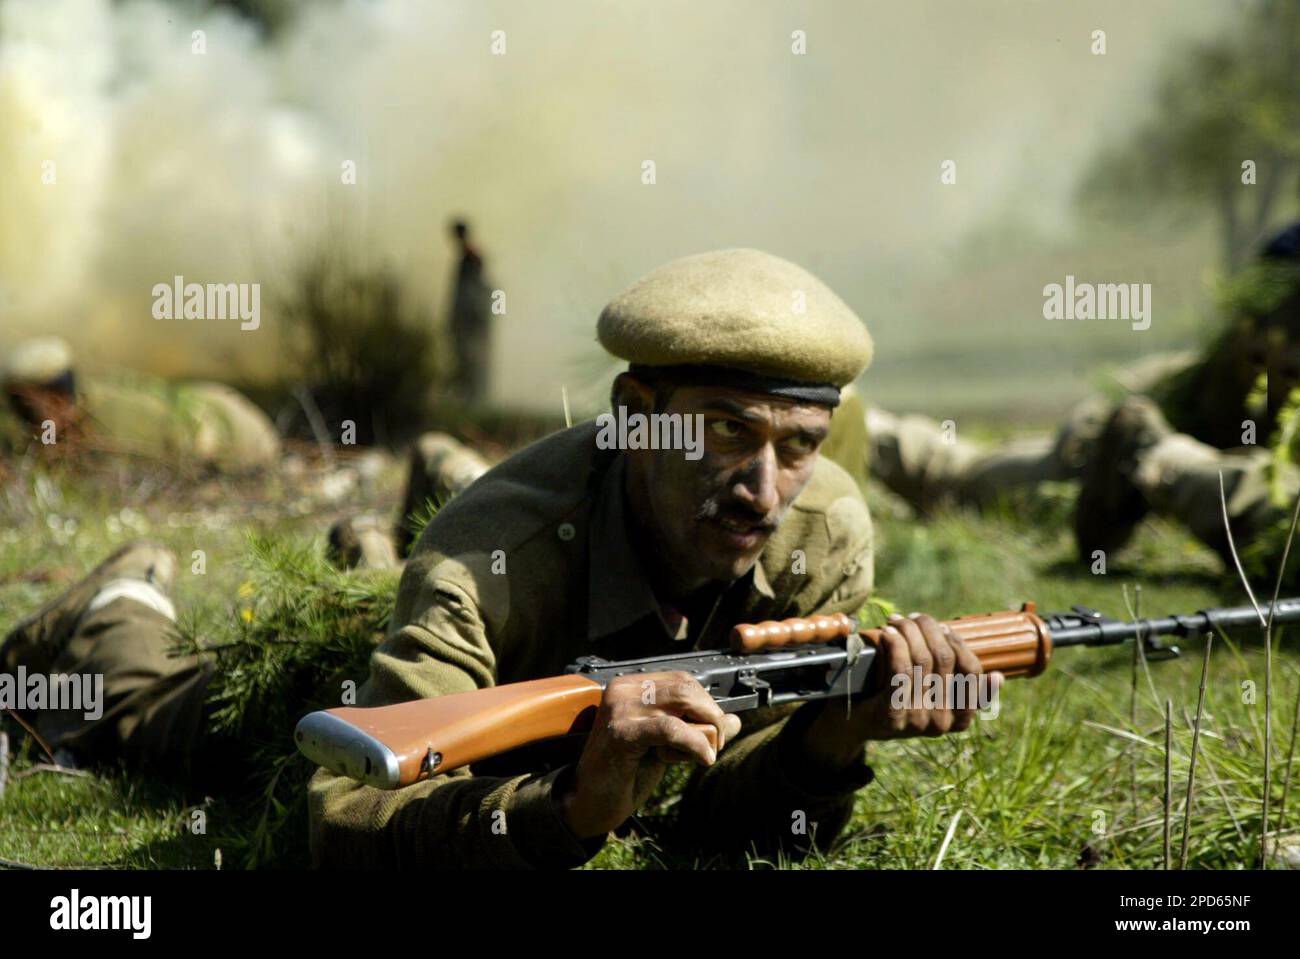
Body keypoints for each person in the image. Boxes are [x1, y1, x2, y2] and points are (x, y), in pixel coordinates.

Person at [307, 248, 1000, 868]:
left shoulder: (823, 537)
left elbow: (718, 817)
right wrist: (567, 807)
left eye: (799, 446)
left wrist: (834, 735)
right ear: (635, 413)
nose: (765, 497)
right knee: (205, 703)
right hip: (521, 538)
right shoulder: (481, 564)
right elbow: (344, 823)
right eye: (729, 430)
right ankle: (377, 535)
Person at [863, 222, 1300, 568]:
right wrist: (1103, 441)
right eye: (1267, 325)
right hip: (1084, 474)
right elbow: (1123, 403)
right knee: (964, 477)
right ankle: (854, 422)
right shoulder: (1201, 375)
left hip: (1183, 483)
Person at [1, 336, 281, 475]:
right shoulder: (88, 402)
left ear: (55, 396)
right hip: (223, 404)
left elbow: (196, 447)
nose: (19, 413)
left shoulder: (111, 423)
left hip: (247, 433)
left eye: (23, 403)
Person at [448, 219, 492, 406]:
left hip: (470, 317)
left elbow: (471, 290)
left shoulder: (471, 256)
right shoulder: (467, 256)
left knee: (469, 357)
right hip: (466, 316)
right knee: (463, 356)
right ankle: (468, 396)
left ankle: (473, 397)